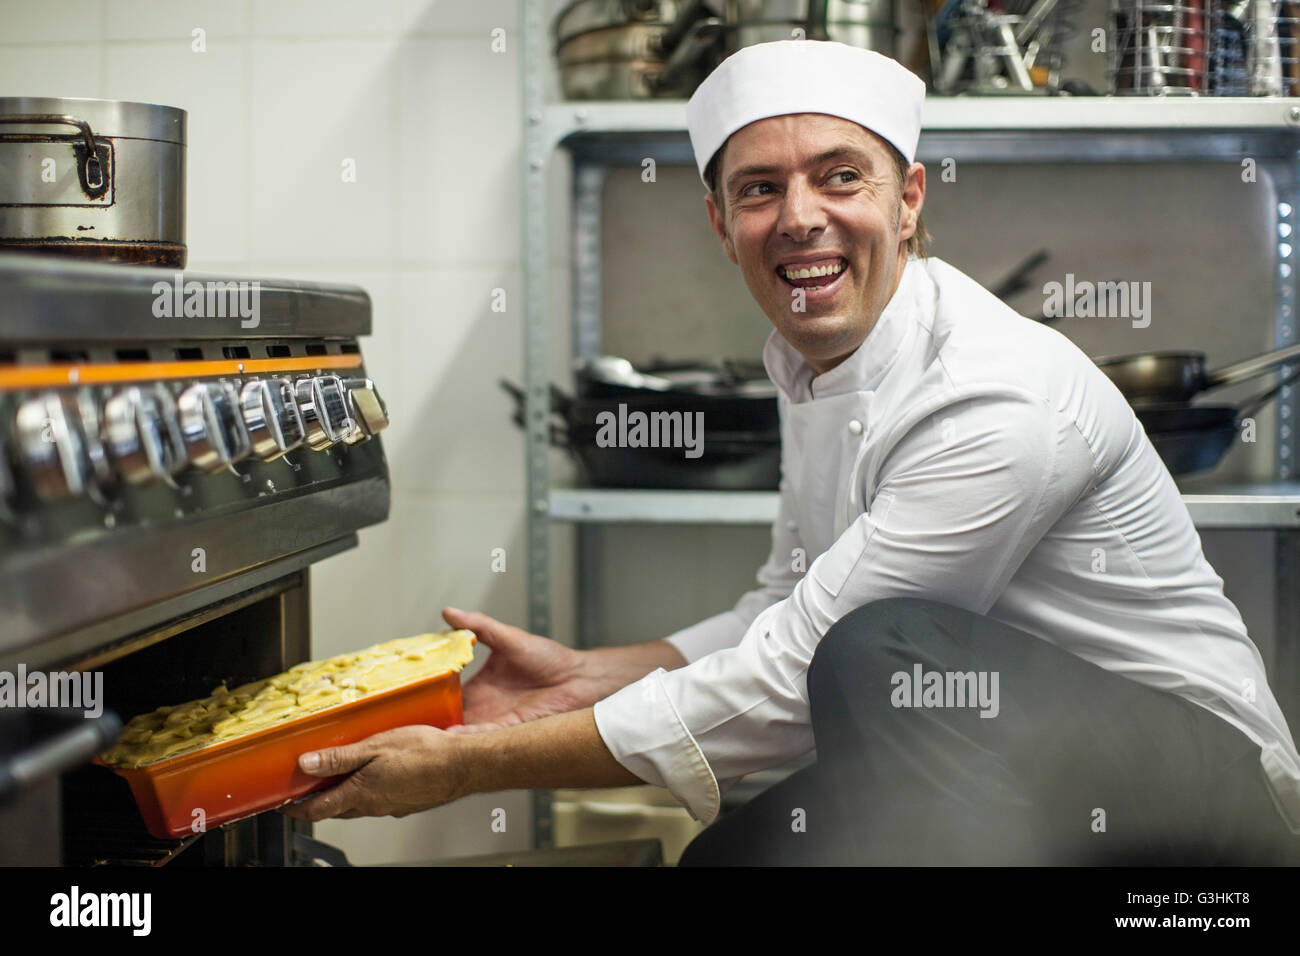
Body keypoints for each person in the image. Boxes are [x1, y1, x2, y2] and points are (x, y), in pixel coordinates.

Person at [285, 40, 1300, 865]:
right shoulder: (813, 359)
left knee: (879, 650)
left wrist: (473, 763)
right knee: (729, 858)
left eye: (839, 177)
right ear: (722, 224)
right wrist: (587, 673)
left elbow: (804, 666)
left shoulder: (995, 396)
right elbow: (787, 601)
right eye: (760, 188)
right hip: (1008, 747)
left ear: (907, 201)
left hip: (1202, 794)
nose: (799, 215)